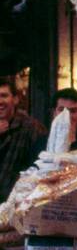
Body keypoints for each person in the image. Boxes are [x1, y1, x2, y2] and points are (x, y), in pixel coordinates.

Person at [0, 76, 46, 205]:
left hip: (14, 210)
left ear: (15, 99)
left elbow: (41, 172)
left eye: (4, 96)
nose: (0, 101)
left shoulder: (32, 128)